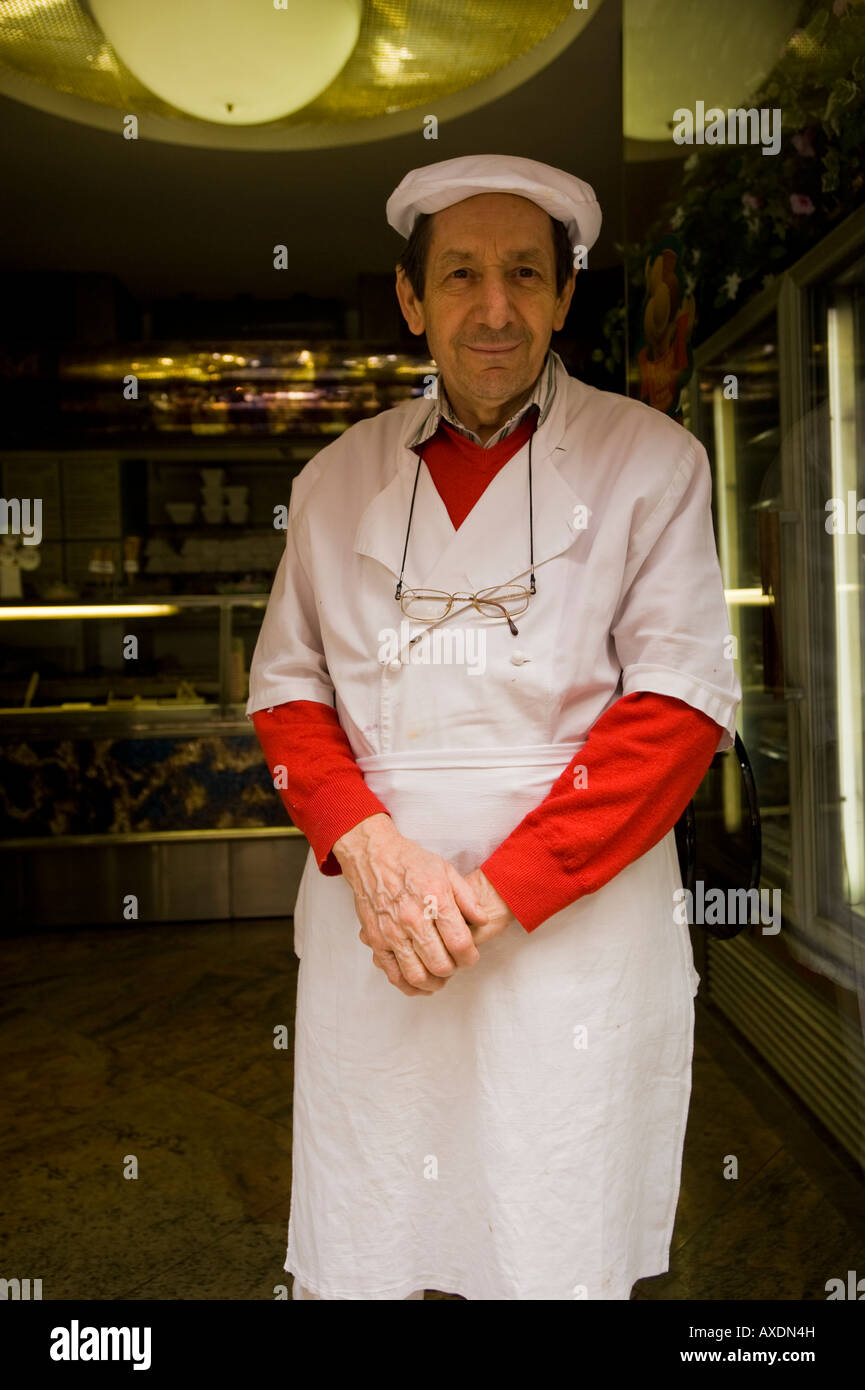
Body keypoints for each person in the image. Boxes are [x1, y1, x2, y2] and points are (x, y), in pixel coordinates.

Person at [246, 154, 741, 1301]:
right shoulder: (332, 481)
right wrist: (371, 855)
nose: (495, 306)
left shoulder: (652, 463)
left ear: (566, 297)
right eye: (460, 275)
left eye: (527, 272)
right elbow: (286, 696)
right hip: (381, 938)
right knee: (379, 1232)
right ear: (411, 301)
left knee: (552, 1233)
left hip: (572, 938)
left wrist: (492, 894)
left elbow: (671, 713)